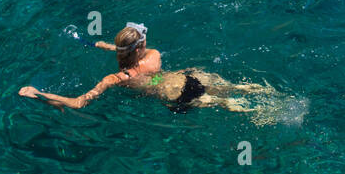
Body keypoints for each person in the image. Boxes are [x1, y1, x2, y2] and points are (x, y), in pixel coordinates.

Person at [19, 23, 274, 114]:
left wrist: (39, 94)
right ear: (140, 48)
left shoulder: (115, 78)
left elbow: (77, 103)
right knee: (236, 89)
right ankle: (267, 95)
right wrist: (103, 45)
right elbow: (126, 52)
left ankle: (272, 112)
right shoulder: (154, 55)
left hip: (175, 94)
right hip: (188, 76)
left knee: (234, 107)